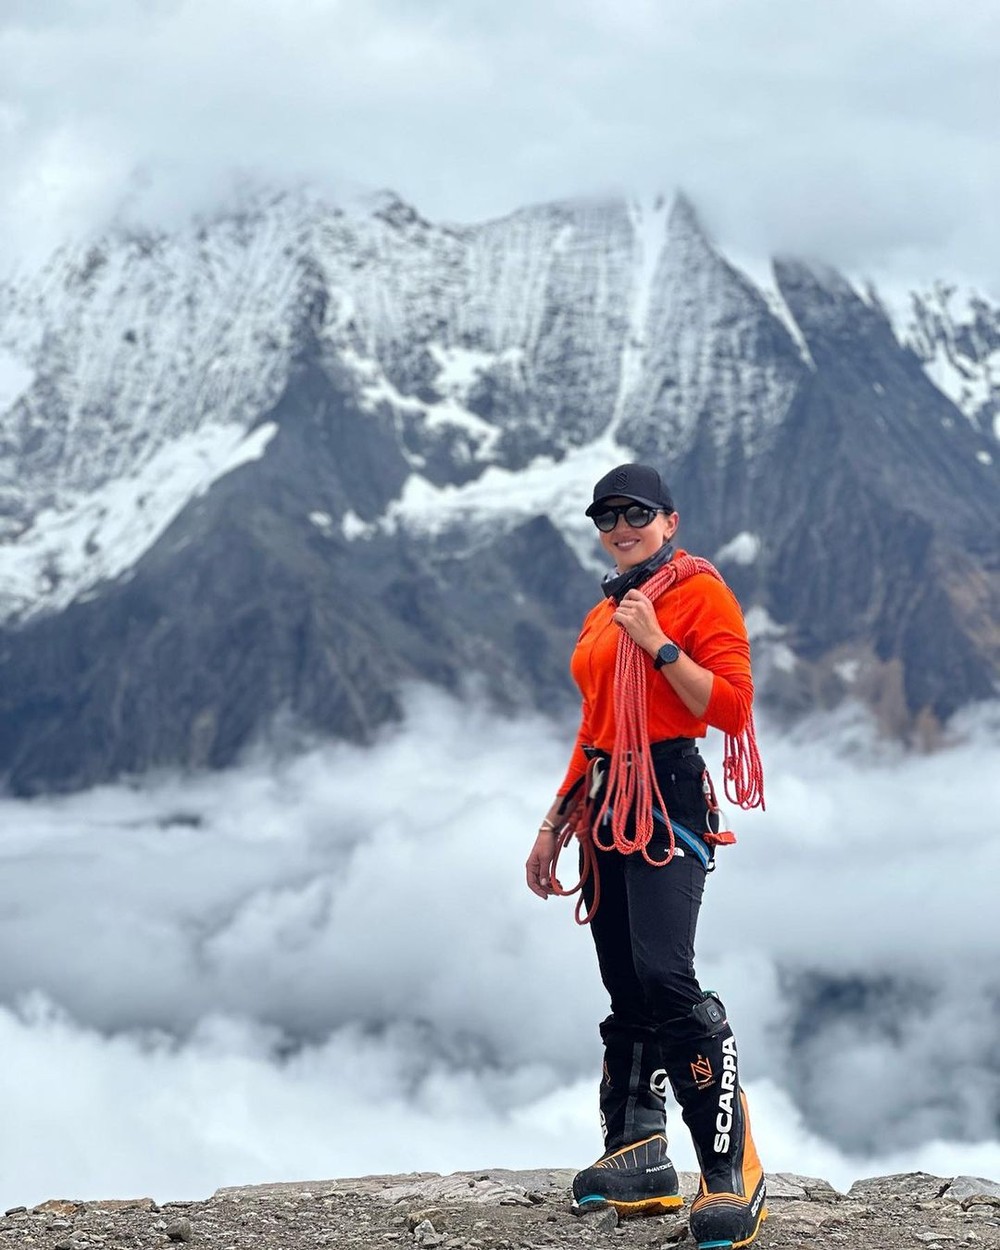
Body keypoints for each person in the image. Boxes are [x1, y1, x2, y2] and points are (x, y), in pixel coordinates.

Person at [525, 463, 767, 1249]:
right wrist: (555, 819)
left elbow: (730, 707)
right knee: (627, 983)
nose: (620, 528)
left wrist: (658, 644)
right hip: (607, 798)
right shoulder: (608, 610)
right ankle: (638, 1156)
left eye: (635, 514)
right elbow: (595, 723)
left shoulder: (697, 595)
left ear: (670, 519)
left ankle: (729, 1173)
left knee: (667, 975)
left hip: (667, 797)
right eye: (606, 518)